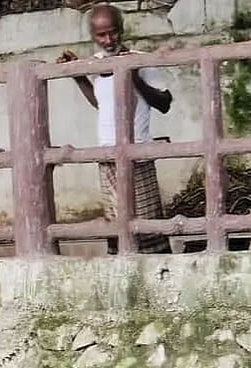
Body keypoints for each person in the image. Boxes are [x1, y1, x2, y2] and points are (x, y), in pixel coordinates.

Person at [59, 4, 173, 254]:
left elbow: (164, 103)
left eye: (113, 33)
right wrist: (79, 76)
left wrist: (133, 75)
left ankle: (159, 275)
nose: (108, 40)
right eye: (101, 35)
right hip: (107, 155)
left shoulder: (140, 59)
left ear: (122, 30)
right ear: (93, 36)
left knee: (147, 224)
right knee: (116, 224)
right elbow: (102, 105)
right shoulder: (96, 65)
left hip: (138, 153)